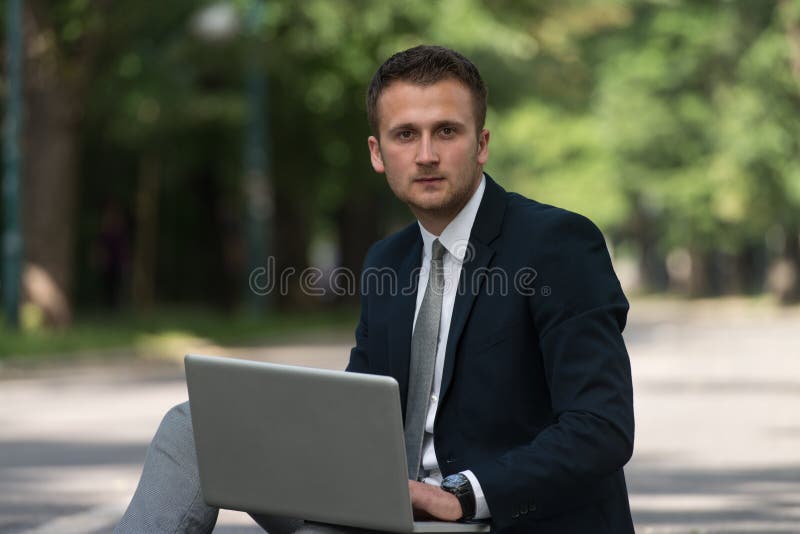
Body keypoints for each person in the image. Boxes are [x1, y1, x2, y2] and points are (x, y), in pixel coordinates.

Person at [116, 44, 634, 534]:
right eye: (406, 134)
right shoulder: (388, 260)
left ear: (481, 145)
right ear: (378, 153)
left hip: (489, 517)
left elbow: (601, 426)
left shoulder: (557, 244)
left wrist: (462, 493)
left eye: (446, 131)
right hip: (388, 505)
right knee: (198, 426)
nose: (426, 154)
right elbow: (360, 412)